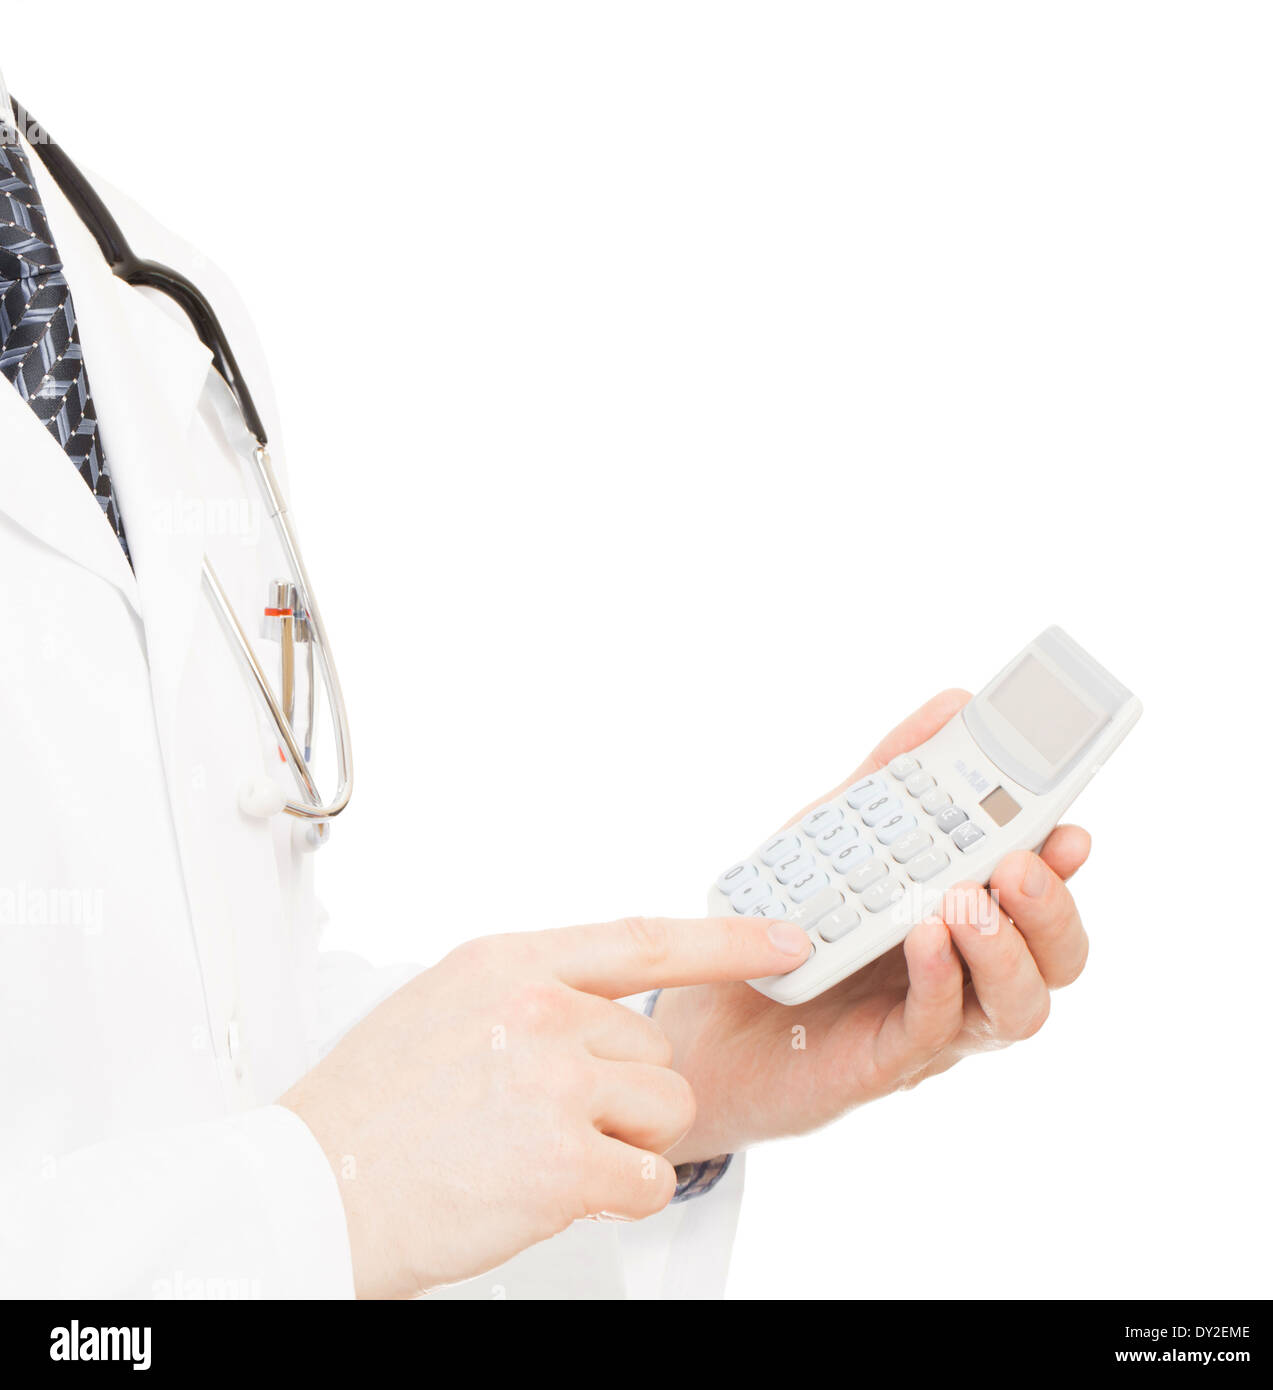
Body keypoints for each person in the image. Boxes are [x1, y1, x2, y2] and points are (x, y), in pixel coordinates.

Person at [0, 76, 1094, 1299]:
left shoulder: (153, 302)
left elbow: (224, 1035)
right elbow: (298, 1178)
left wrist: (659, 1079)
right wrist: (321, 1195)